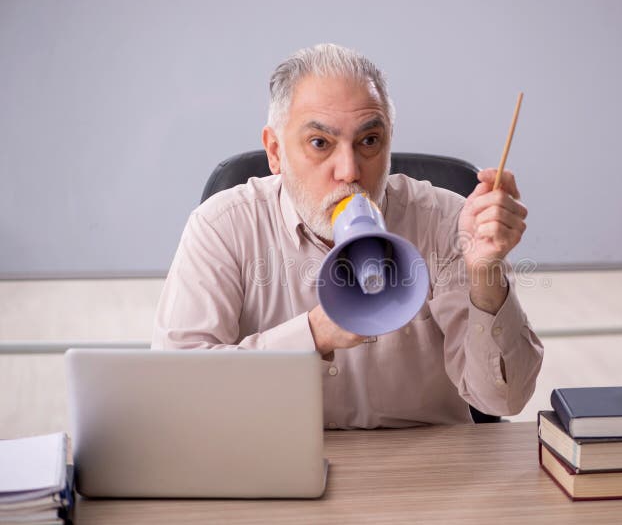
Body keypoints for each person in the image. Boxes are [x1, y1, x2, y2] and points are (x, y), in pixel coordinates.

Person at [152, 43, 543, 429]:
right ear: (275, 151)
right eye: (320, 143)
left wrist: (485, 277)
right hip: (269, 462)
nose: (350, 171)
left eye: (369, 141)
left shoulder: (447, 221)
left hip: (426, 471)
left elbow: (503, 400)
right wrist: (314, 333)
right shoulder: (222, 225)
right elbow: (177, 390)